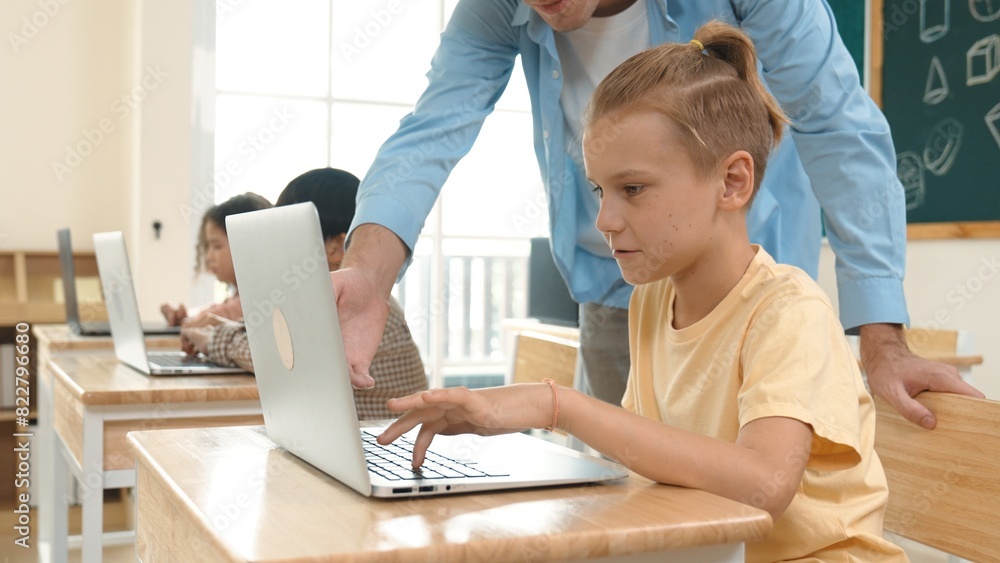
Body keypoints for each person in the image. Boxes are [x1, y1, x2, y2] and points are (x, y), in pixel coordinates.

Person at [378, 23, 908, 561]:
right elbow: (649, 468)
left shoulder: (789, 312)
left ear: (732, 183)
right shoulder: (653, 299)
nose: (605, 219)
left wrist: (556, 405)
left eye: (632, 189)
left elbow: (763, 487)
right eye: (599, 190)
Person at [334, 0, 983, 428]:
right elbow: (431, 130)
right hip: (618, 298)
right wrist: (366, 276)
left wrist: (883, 339)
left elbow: (839, 127)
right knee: (627, 509)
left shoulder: (786, 321)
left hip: (746, 291)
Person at [182, 168, 428, 420]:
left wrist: (212, 338)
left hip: (389, 449)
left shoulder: (354, 306)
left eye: (288, 235)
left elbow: (278, 357)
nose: (277, 248)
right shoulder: (330, 296)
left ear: (335, 247)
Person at [160, 192, 272, 327]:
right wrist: (184, 317)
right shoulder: (237, 296)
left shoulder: (256, 300)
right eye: (207, 247)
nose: (209, 256)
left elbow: (223, 314)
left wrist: (187, 321)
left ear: (247, 245)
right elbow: (220, 309)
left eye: (217, 246)